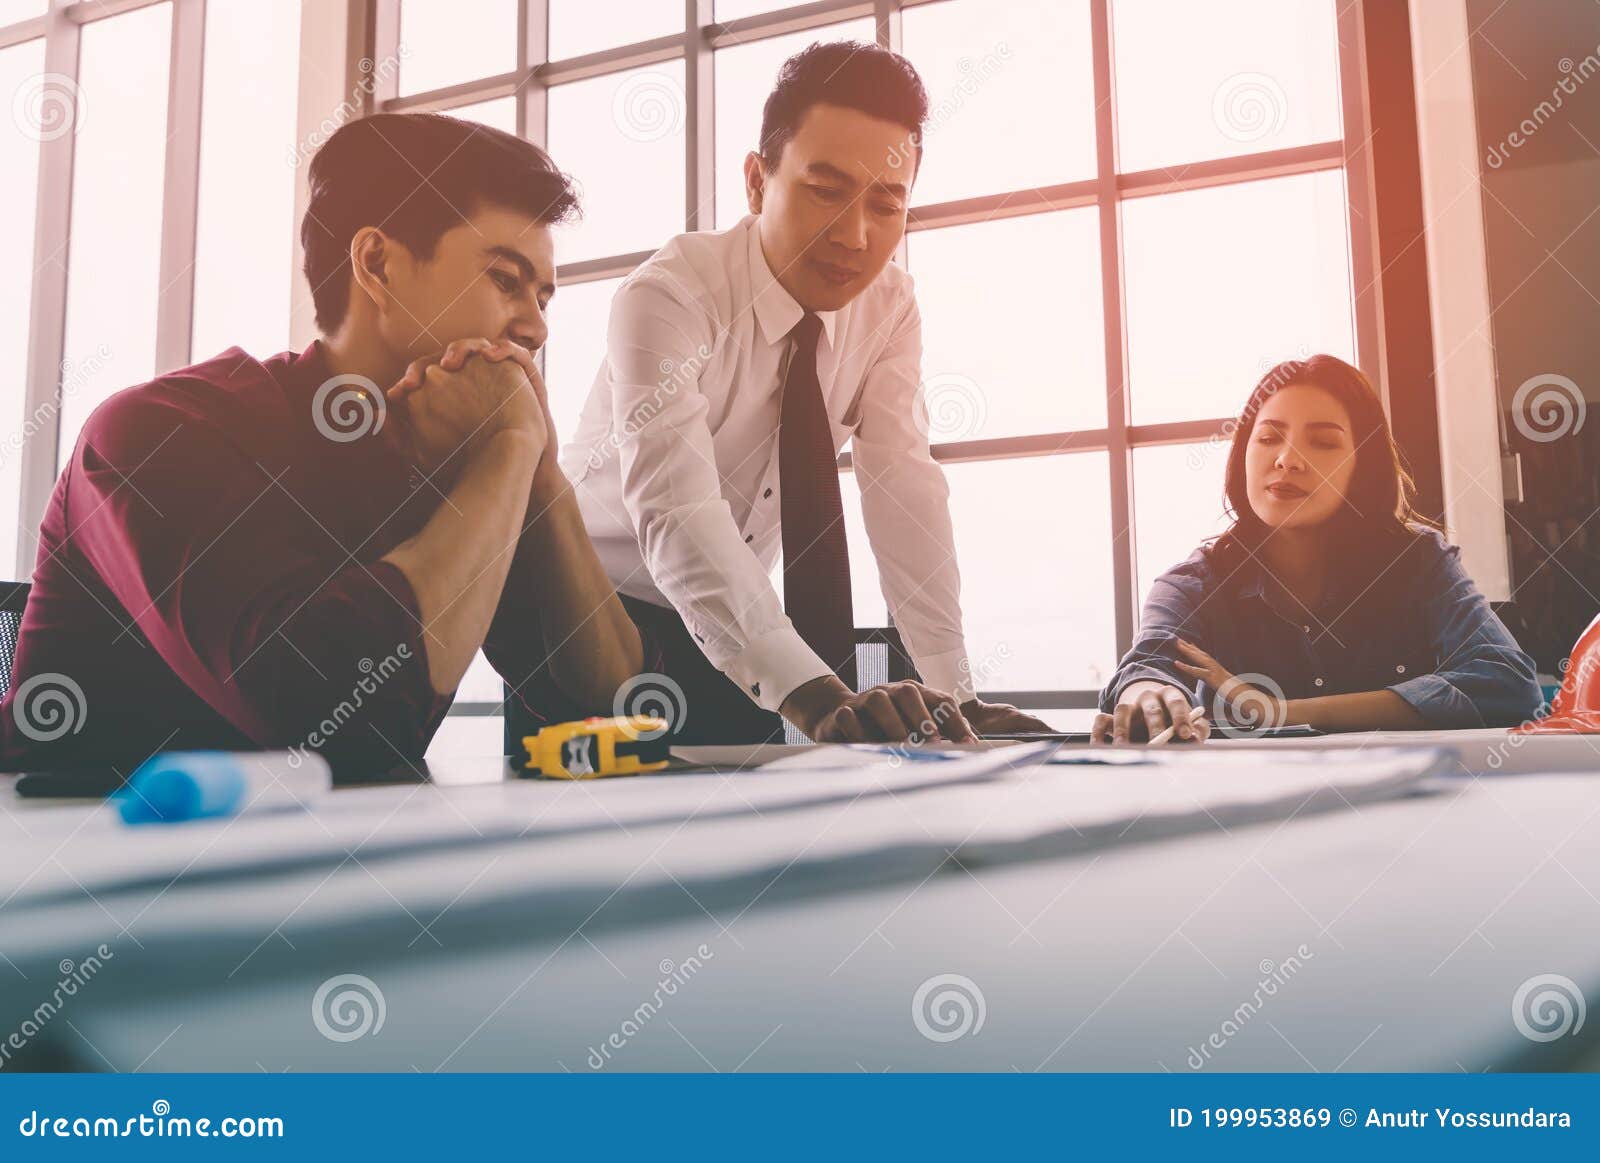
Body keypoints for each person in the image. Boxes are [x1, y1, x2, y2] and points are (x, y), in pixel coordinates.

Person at [1, 113, 644, 775]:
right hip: (67, 857)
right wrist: (511, 444)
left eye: (544, 299)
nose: (536, 329)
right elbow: (332, 721)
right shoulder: (157, 433)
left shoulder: (456, 467)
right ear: (377, 265)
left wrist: (537, 473)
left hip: (321, 862)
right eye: (506, 281)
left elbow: (617, 717)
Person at [560, 40, 1047, 745]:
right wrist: (815, 694)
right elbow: (675, 510)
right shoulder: (667, 298)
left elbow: (904, 489)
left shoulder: (889, 309)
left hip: (727, 624)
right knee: (599, 836)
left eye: (886, 204)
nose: (855, 235)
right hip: (591, 609)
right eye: (826, 191)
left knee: (752, 832)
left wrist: (952, 695)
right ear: (757, 182)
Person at [1094, 354, 1540, 744]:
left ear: (1361, 467)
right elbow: (1147, 667)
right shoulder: (1194, 582)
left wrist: (1281, 713)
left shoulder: (1419, 561)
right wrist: (1146, 697)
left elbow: (1507, 683)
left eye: (1324, 442)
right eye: (1268, 438)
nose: (1287, 459)